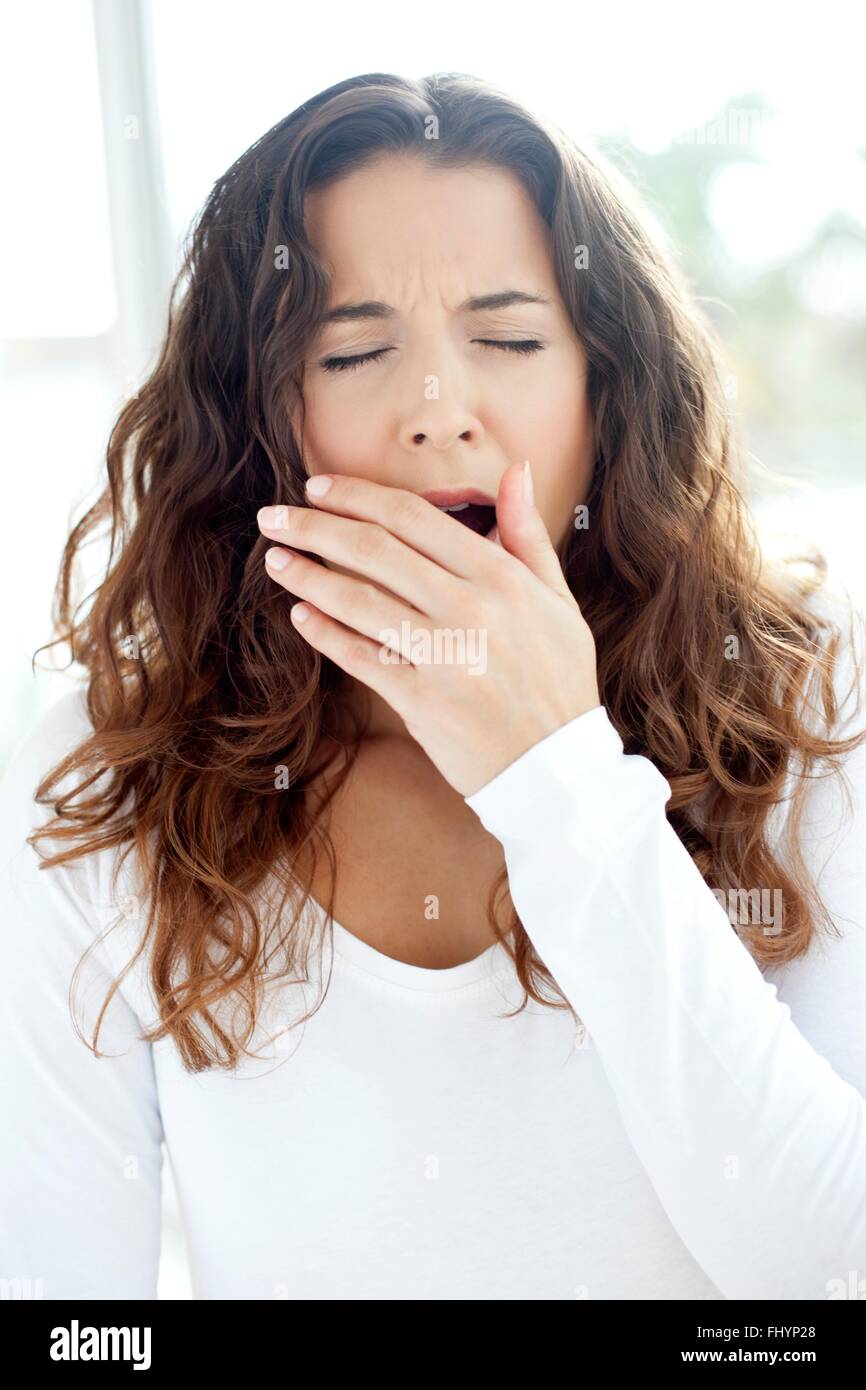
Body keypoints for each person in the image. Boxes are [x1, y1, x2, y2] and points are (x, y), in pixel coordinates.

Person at [2, 71, 865, 1301]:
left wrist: (556, 766)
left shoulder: (805, 685)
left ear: (606, 384)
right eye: (352, 351)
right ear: (259, 415)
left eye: (507, 340)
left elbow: (824, 1274)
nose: (434, 413)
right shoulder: (110, 766)